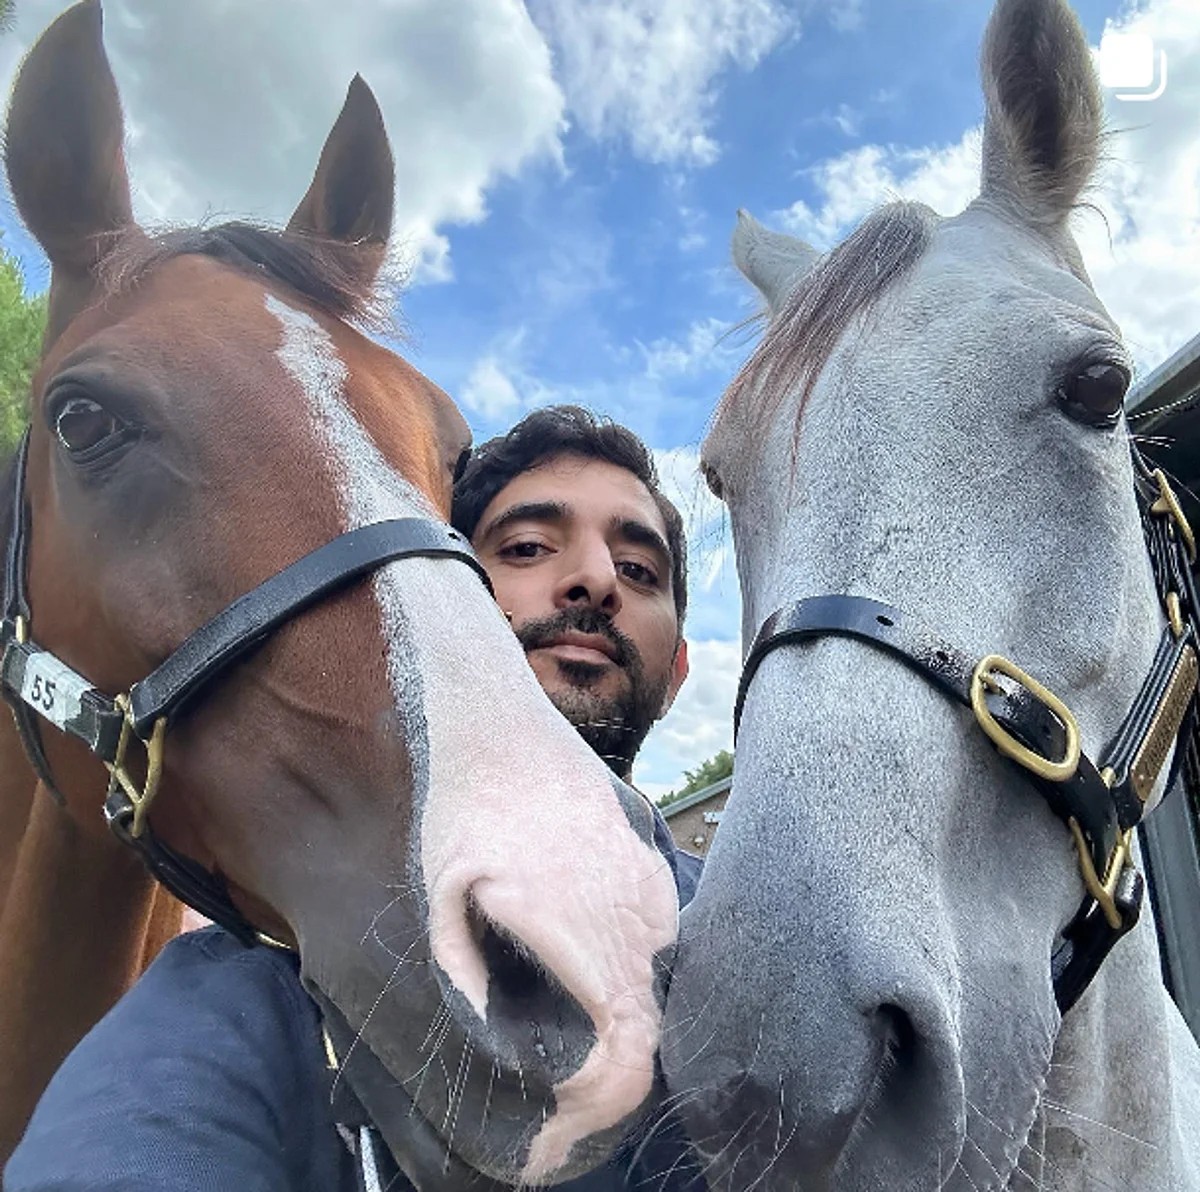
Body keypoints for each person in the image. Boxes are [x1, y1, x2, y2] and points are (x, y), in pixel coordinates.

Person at [6, 406, 704, 1192]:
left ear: (677, 675)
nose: (598, 580)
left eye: (640, 571)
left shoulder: (759, 941)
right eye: (528, 548)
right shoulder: (249, 996)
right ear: (434, 617)